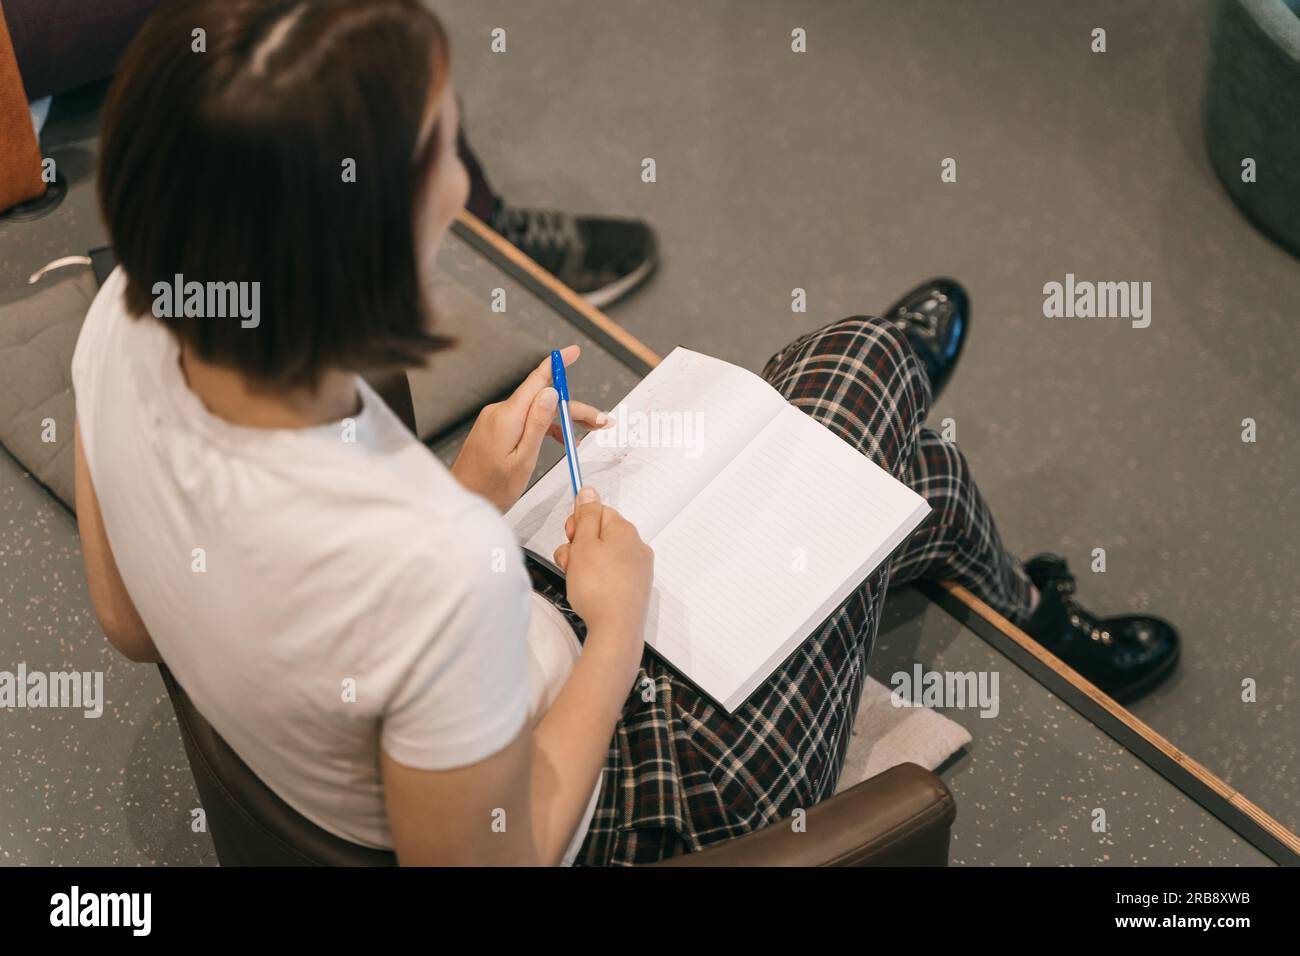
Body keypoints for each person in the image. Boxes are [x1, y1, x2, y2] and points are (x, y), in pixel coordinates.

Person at [72, 0, 1177, 866]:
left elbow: (131, 621)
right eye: (442, 154)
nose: (464, 181)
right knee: (863, 368)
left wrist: (461, 494)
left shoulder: (117, 323)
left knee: (877, 441)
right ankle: (1020, 598)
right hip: (641, 786)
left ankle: (987, 563)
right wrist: (613, 622)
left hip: (496, 669)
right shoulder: (430, 569)